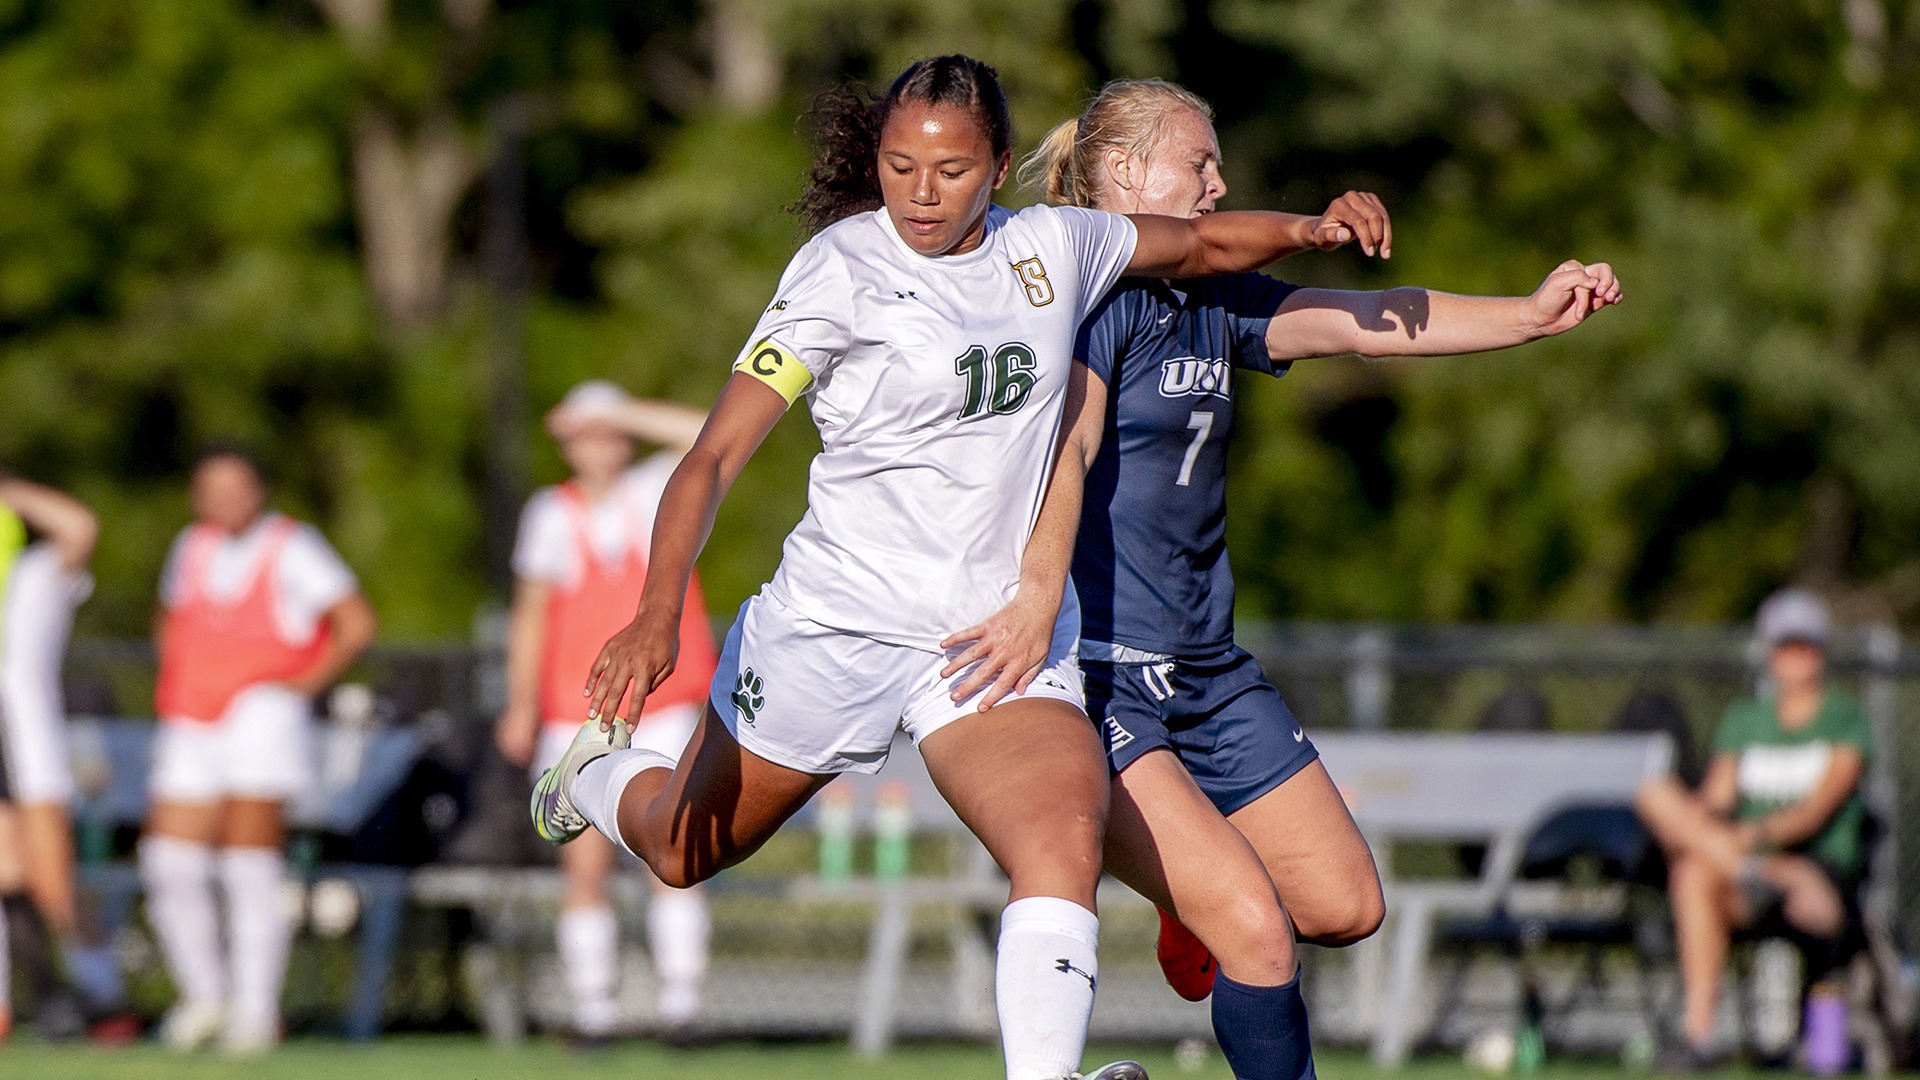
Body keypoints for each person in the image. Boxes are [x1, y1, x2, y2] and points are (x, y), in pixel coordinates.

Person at [531, 54, 1388, 1080]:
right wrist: (655, 610)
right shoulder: (838, 271)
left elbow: (1203, 241)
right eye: (899, 167)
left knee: (1061, 839)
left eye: (948, 170)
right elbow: (713, 456)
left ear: (997, 167)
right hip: (836, 627)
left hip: (985, 639)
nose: (919, 193)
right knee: (683, 849)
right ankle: (597, 774)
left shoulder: (1055, 247)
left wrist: (1312, 228)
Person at [990, 78, 1622, 1080]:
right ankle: (1200, 915)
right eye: (1199, 163)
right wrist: (1033, 600)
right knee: (1259, 933)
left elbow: (1362, 321)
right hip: (1104, 678)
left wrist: (1531, 318)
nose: (1218, 181)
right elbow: (1065, 453)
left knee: (1345, 907)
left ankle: (1187, 914)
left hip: (1210, 672)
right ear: (1121, 175)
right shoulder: (1086, 300)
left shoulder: (1217, 301)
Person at [494, 380, 716, 1044]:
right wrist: (520, 703)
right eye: (588, 433)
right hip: (580, 709)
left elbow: (708, 429)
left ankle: (682, 1003)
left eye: (610, 431)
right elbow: (531, 616)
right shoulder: (550, 514)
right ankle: (595, 1008)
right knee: (584, 864)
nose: (602, 444)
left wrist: (615, 412)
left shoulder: (654, 491)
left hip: (664, 700)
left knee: (675, 850)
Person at [141, 444, 378, 1053]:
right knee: (169, 862)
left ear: (258, 491)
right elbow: (169, 619)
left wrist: (302, 681)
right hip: (192, 717)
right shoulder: (190, 547)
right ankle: (203, 995)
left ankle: (254, 1009)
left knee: (249, 864)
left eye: (234, 486)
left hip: (261, 715)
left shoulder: (293, 546)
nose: (222, 500)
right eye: (209, 487)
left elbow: (356, 622)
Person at [1636, 588, 1871, 1070]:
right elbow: (1717, 797)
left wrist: (1750, 837)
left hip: (1813, 878)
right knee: (1663, 810)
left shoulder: (1845, 719)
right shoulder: (1746, 719)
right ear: (1769, 653)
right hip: (1751, 874)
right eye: (1786, 646)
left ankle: (1742, 868)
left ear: (1821, 651)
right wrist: (1695, 821)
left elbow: (1816, 811)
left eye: (1805, 646)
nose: (1796, 658)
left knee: (1698, 865)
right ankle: (1699, 1035)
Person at [0, 474, 127, 1041]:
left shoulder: (35, 577)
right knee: (4, 875)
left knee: (53, 883)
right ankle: (26, 1001)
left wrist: (8, 489)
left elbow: (80, 526)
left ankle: (102, 995)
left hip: (29, 748)